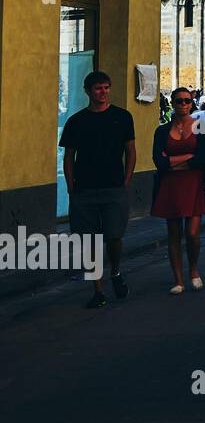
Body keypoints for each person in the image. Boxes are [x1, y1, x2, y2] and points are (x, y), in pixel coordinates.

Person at [60, 70, 137, 308]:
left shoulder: (122, 117)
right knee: (89, 241)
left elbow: (131, 150)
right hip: (85, 190)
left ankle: (115, 271)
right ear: (87, 91)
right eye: (97, 88)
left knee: (114, 236)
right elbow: (69, 156)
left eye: (106, 87)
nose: (102, 93)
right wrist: (71, 186)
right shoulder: (77, 121)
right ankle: (98, 290)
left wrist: (126, 180)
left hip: (114, 188)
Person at [151, 86, 205, 294]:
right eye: (179, 101)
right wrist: (187, 158)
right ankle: (178, 280)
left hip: (194, 183)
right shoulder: (162, 131)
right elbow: (159, 161)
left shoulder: (199, 126)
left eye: (187, 101)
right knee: (173, 234)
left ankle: (193, 270)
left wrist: (173, 161)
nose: (184, 104)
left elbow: (201, 158)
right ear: (173, 103)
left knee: (193, 233)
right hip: (171, 186)